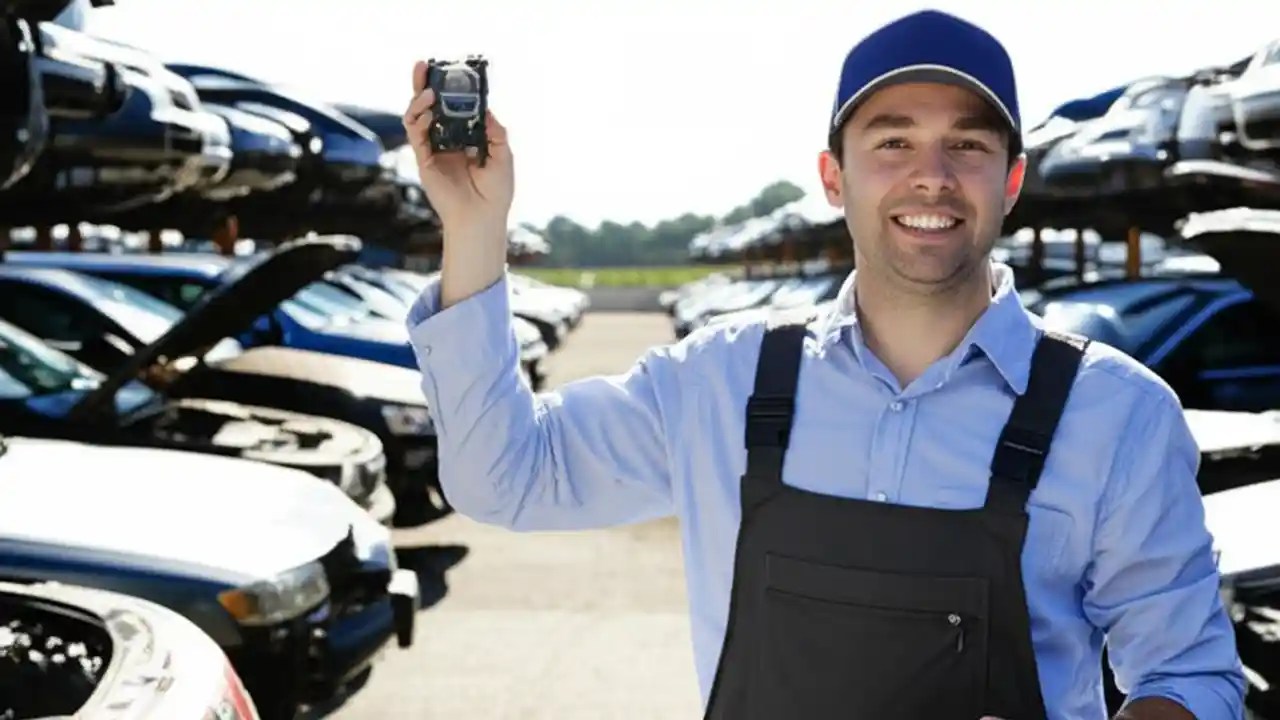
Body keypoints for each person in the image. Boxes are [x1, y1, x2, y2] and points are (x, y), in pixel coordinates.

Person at [399, 9, 1244, 720]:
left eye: (968, 146)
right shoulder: (721, 383)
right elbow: (503, 477)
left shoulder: (1118, 416)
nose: (931, 178)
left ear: (1013, 179)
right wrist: (474, 229)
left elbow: (1191, 678)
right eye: (893, 143)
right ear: (833, 178)